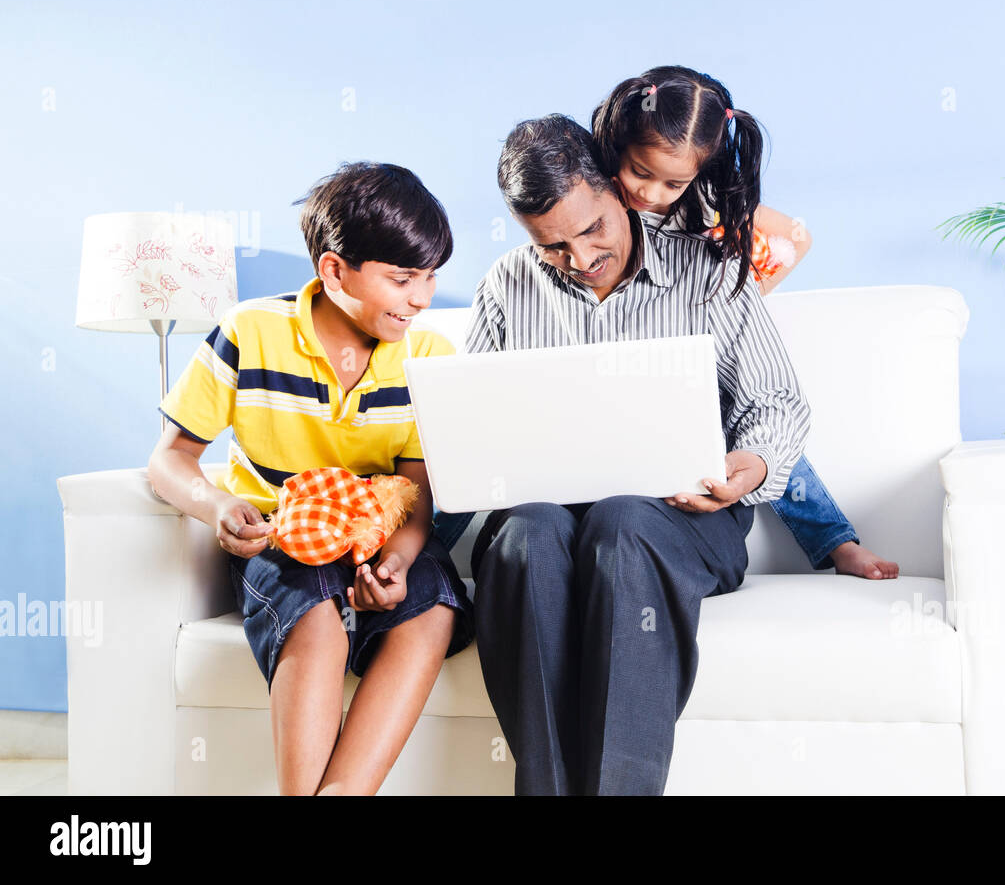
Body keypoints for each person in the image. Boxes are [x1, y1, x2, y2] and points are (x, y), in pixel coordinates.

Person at [458, 114, 810, 795]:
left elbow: (777, 402)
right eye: (553, 246)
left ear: (616, 190)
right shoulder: (506, 283)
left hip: (680, 517)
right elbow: (473, 420)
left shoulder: (708, 270)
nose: (582, 258)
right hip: (549, 516)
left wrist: (754, 466)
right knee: (528, 535)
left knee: (623, 522)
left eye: (593, 229)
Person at [146, 162, 474, 795]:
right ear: (333, 269)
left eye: (430, 277)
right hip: (281, 537)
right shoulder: (250, 332)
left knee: (430, 608)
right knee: (315, 614)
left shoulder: (429, 358)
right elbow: (169, 458)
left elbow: (416, 495)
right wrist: (216, 506)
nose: (421, 298)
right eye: (402, 279)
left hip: (382, 540)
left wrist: (398, 562)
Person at [590, 64, 898, 580]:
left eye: (673, 182)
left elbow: (795, 238)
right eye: (641, 172)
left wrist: (742, 296)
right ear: (618, 146)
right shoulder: (593, 201)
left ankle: (836, 541)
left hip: (686, 353)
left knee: (755, 430)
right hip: (616, 358)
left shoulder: (704, 209)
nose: (651, 193)